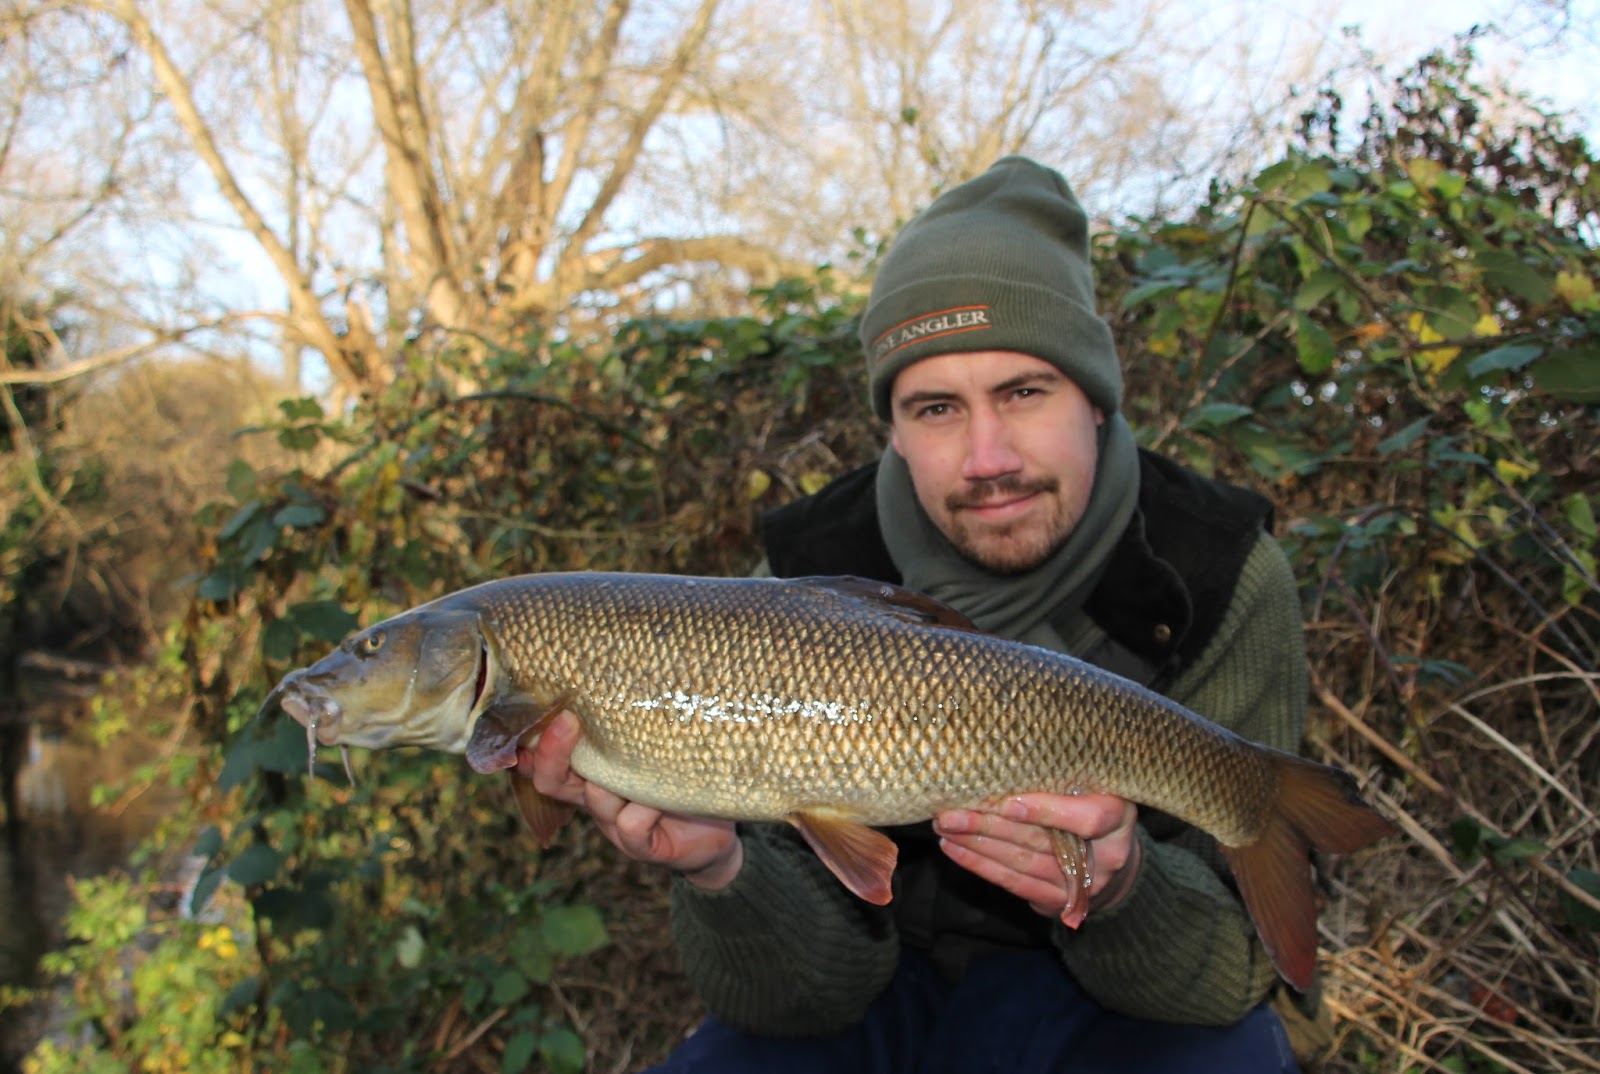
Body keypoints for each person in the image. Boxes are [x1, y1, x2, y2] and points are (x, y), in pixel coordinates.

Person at [521, 156, 1318, 1073]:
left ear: (1097, 398)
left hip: (1115, 991)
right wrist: (722, 869)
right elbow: (799, 1004)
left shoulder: (1216, 573)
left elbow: (1230, 982)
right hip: (882, 973)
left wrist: (1123, 887)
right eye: (936, 408)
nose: (988, 457)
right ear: (892, 431)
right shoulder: (797, 583)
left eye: (1024, 392)